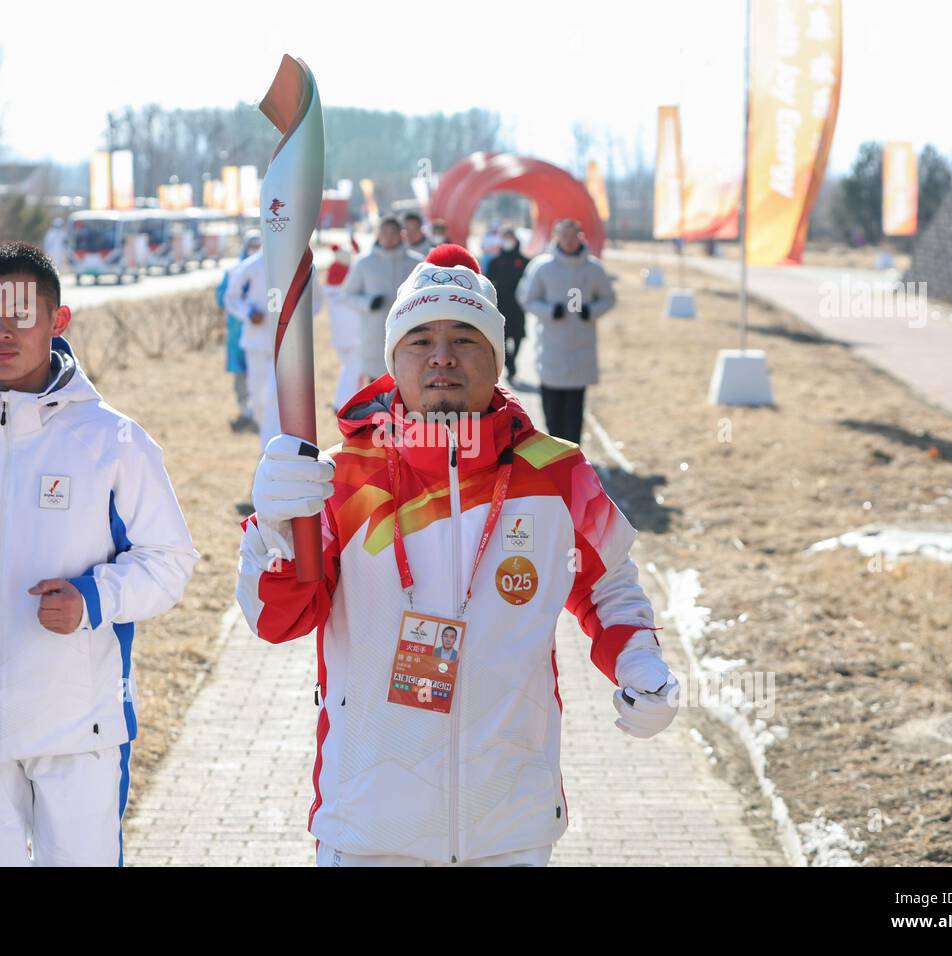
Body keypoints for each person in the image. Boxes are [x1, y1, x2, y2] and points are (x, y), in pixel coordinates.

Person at [237, 243, 679, 867]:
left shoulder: (556, 472)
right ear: (394, 358)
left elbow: (608, 585)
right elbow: (277, 621)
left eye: (465, 338)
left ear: (496, 357)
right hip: (370, 824)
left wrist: (639, 661)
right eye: (420, 339)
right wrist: (275, 532)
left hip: (509, 823)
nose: (442, 356)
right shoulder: (339, 480)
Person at [0, 241, 199, 866]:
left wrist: (93, 598)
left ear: (57, 320)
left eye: (21, 312)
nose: (2, 329)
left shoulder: (113, 440)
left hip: (78, 730)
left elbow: (169, 558)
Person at [516, 219, 617, 445]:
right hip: (552, 347)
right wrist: (550, 310)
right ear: (556, 237)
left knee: (574, 412)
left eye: (574, 236)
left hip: (581, 348)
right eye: (565, 236)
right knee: (553, 412)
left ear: (581, 237)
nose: (569, 242)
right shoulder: (542, 267)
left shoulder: (593, 268)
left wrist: (590, 310)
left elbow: (609, 298)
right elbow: (526, 297)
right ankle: (554, 456)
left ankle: (573, 457)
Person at [227, 234, 324, 452]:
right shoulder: (251, 266)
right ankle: (267, 436)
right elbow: (231, 297)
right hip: (256, 341)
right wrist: (248, 313)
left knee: (274, 398)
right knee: (258, 397)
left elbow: (316, 302)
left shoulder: (302, 266)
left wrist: (296, 320)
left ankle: (269, 449)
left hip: (286, 345)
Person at [339, 215, 422, 386]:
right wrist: (368, 303)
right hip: (375, 334)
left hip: (410, 332)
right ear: (378, 234)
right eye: (384, 232)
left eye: (393, 233)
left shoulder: (416, 263)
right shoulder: (364, 263)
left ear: (401, 234)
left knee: (410, 384)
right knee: (378, 388)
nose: (388, 237)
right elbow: (346, 294)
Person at [219, 230, 261, 432]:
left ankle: (258, 408)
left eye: (258, 244)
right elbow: (223, 298)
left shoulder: (265, 268)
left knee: (259, 371)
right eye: (252, 244)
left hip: (261, 331)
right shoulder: (235, 270)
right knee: (240, 372)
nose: (255, 248)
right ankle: (244, 408)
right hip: (237, 330)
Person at [483, 227, 529, 384]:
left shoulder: (524, 261)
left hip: (518, 306)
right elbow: (487, 282)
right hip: (500, 306)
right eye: (505, 238)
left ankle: (513, 360)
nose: (508, 242)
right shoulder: (496, 261)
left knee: (517, 337)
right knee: (502, 336)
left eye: (511, 238)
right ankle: (510, 364)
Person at [324, 239, 362, 412]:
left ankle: (340, 401)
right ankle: (345, 404)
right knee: (353, 371)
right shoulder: (349, 292)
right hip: (354, 337)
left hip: (340, 337)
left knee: (348, 370)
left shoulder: (330, 290)